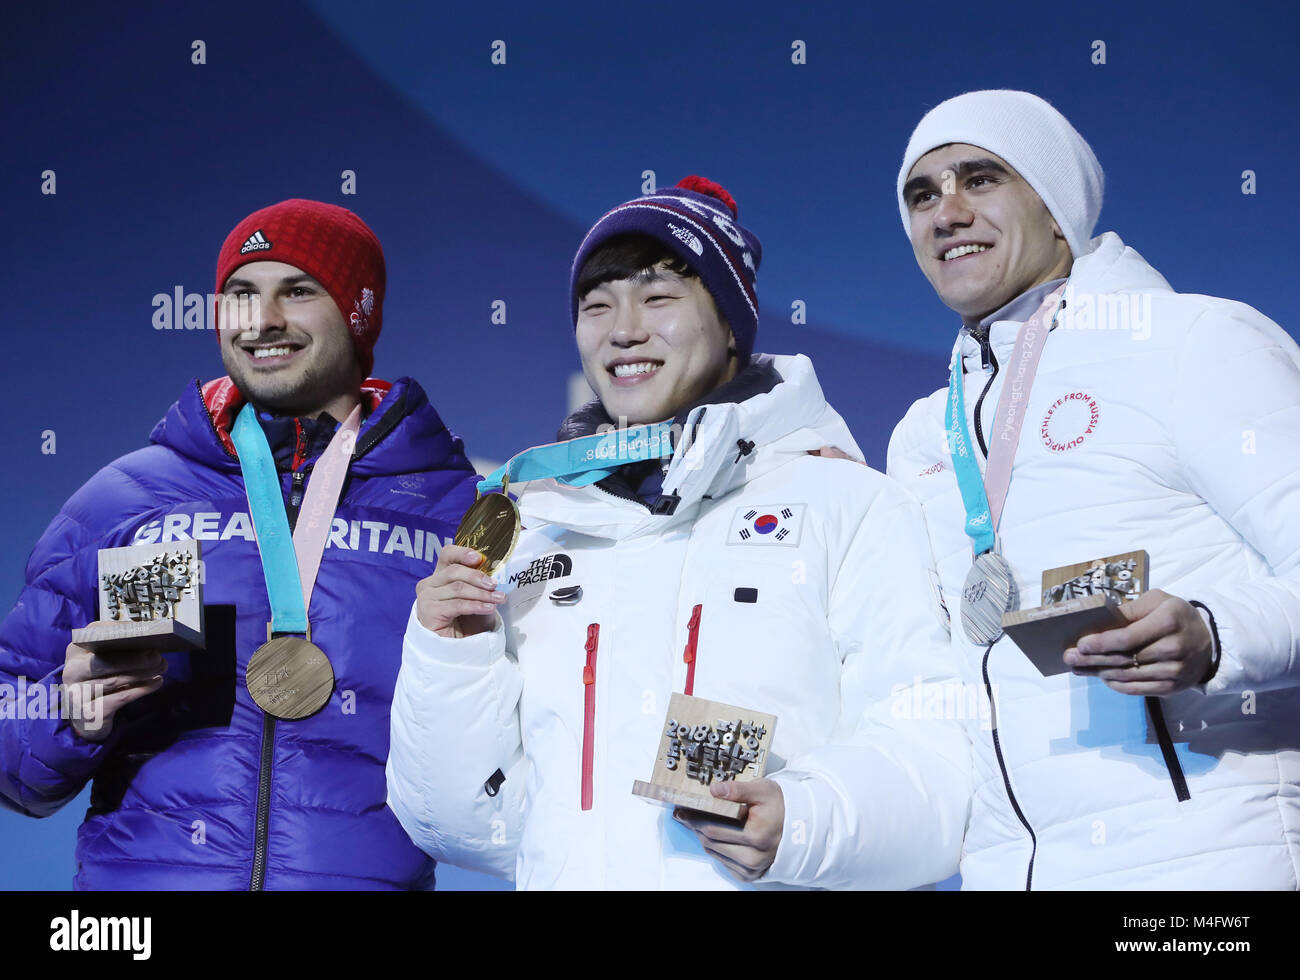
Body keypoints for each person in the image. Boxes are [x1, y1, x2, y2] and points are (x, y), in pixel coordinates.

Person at [386, 176, 967, 890]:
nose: (622, 329)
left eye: (658, 297)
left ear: (729, 322)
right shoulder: (537, 532)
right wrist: (449, 659)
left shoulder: (848, 504)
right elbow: (471, 828)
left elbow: (938, 763)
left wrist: (802, 819)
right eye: (596, 305)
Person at [0, 199, 480, 889]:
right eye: (240, 295)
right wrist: (66, 713)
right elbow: (13, 767)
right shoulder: (125, 501)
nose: (262, 320)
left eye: (298, 291)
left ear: (359, 313)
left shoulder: (455, 510)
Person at [886, 90, 1300, 888]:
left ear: (1054, 205)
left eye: (981, 178)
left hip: (1204, 864)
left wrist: (1217, 634)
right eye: (922, 193)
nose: (948, 211)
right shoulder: (919, 436)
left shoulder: (1195, 342)